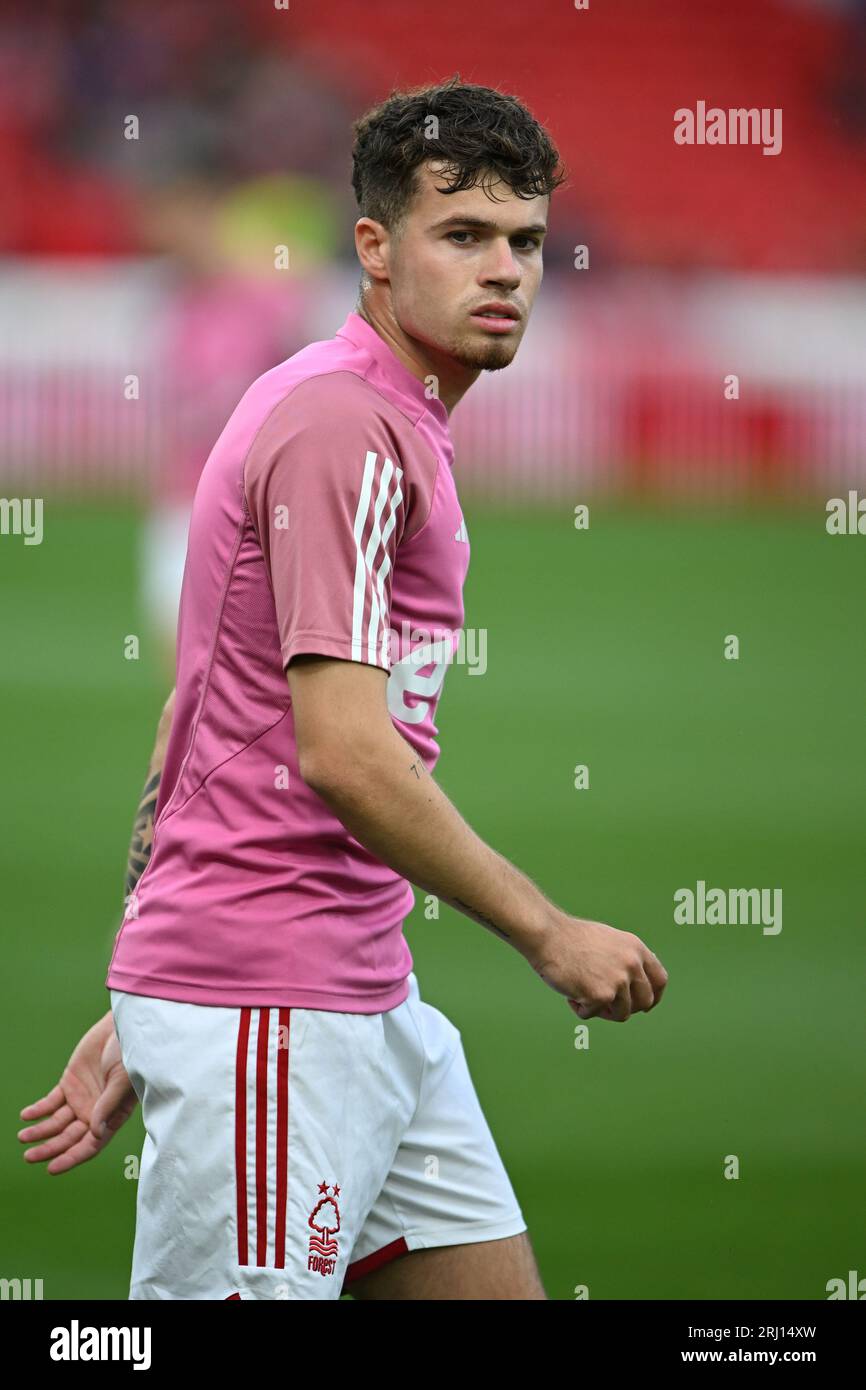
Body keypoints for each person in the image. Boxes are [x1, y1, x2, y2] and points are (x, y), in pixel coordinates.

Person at [19, 74, 668, 1301]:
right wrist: (547, 931)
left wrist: (147, 980)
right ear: (373, 247)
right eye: (462, 234)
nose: (504, 270)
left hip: (354, 997)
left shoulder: (394, 419)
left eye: (524, 241)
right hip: (275, 1010)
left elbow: (196, 714)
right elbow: (345, 751)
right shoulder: (341, 430)